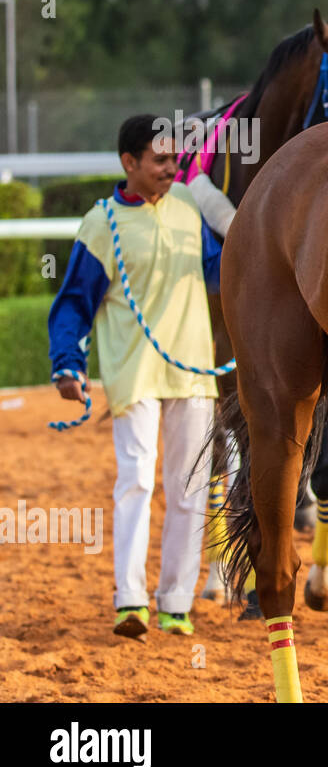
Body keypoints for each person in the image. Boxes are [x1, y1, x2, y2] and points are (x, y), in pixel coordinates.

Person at [48, 114, 222, 639]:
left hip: (193, 374)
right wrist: (66, 363)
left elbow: (221, 272)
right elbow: (74, 302)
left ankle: (174, 603)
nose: (173, 168)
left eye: (176, 159)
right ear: (130, 163)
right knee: (137, 482)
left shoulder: (190, 208)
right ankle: (129, 601)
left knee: (191, 489)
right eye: (161, 160)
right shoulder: (101, 223)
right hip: (134, 373)